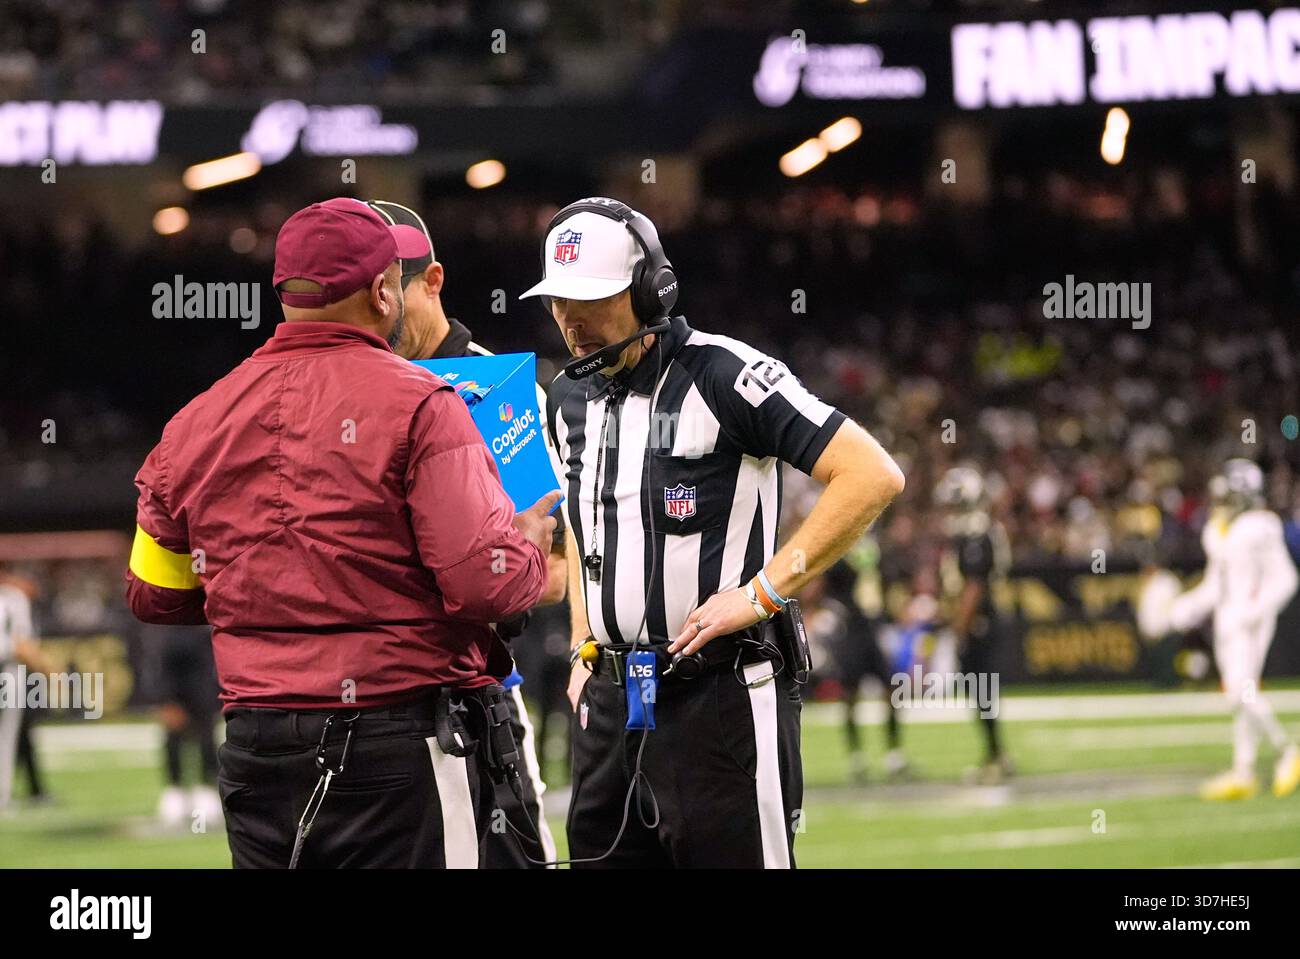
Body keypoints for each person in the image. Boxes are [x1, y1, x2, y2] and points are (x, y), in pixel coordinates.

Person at [125, 197, 560, 868]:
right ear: (385, 290)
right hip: (399, 743)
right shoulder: (423, 404)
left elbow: (155, 589)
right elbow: (486, 585)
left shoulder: (195, 421)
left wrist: (264, 593)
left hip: (255, 749)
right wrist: (528, 539)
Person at [524, 196, 905, 868]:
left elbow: (872, 473)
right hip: (617, 700)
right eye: (558, 299)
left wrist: (762, 592)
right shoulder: (567, 397)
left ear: (650, 291)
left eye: (591, 298)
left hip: (719, 695)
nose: (570, 319)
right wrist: (589, 638)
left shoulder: (725, 374)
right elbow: (585, 526)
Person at [366, 198, 563, 868]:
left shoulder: (506, 395)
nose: (383, 309)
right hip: (358, 710)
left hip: (472, 704)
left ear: (434, 280)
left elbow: (559, 570)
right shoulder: (343, 392)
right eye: (369, 291)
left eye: (395, 287)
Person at [1168, 459, 1300, 800]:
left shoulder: (1261, 525)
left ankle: (1287, 750)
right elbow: (1216, 585)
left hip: (1250, 622)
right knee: (1239, 694)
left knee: (1241, 690)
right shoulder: (1217, 529)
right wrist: (1189, 606)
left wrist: (1253, 611)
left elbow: (1286, 578)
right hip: (1227, 621)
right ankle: (1244, 770)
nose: (1220, 500)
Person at [933, 466, 1014, 784]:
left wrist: (958, 629)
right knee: (981, 693)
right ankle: (996, 754)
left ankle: (996, 757)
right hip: (980, 621)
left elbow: (974, 587)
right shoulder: (976, 532)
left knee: (982, 691)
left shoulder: (976, 535)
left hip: (980, 623)